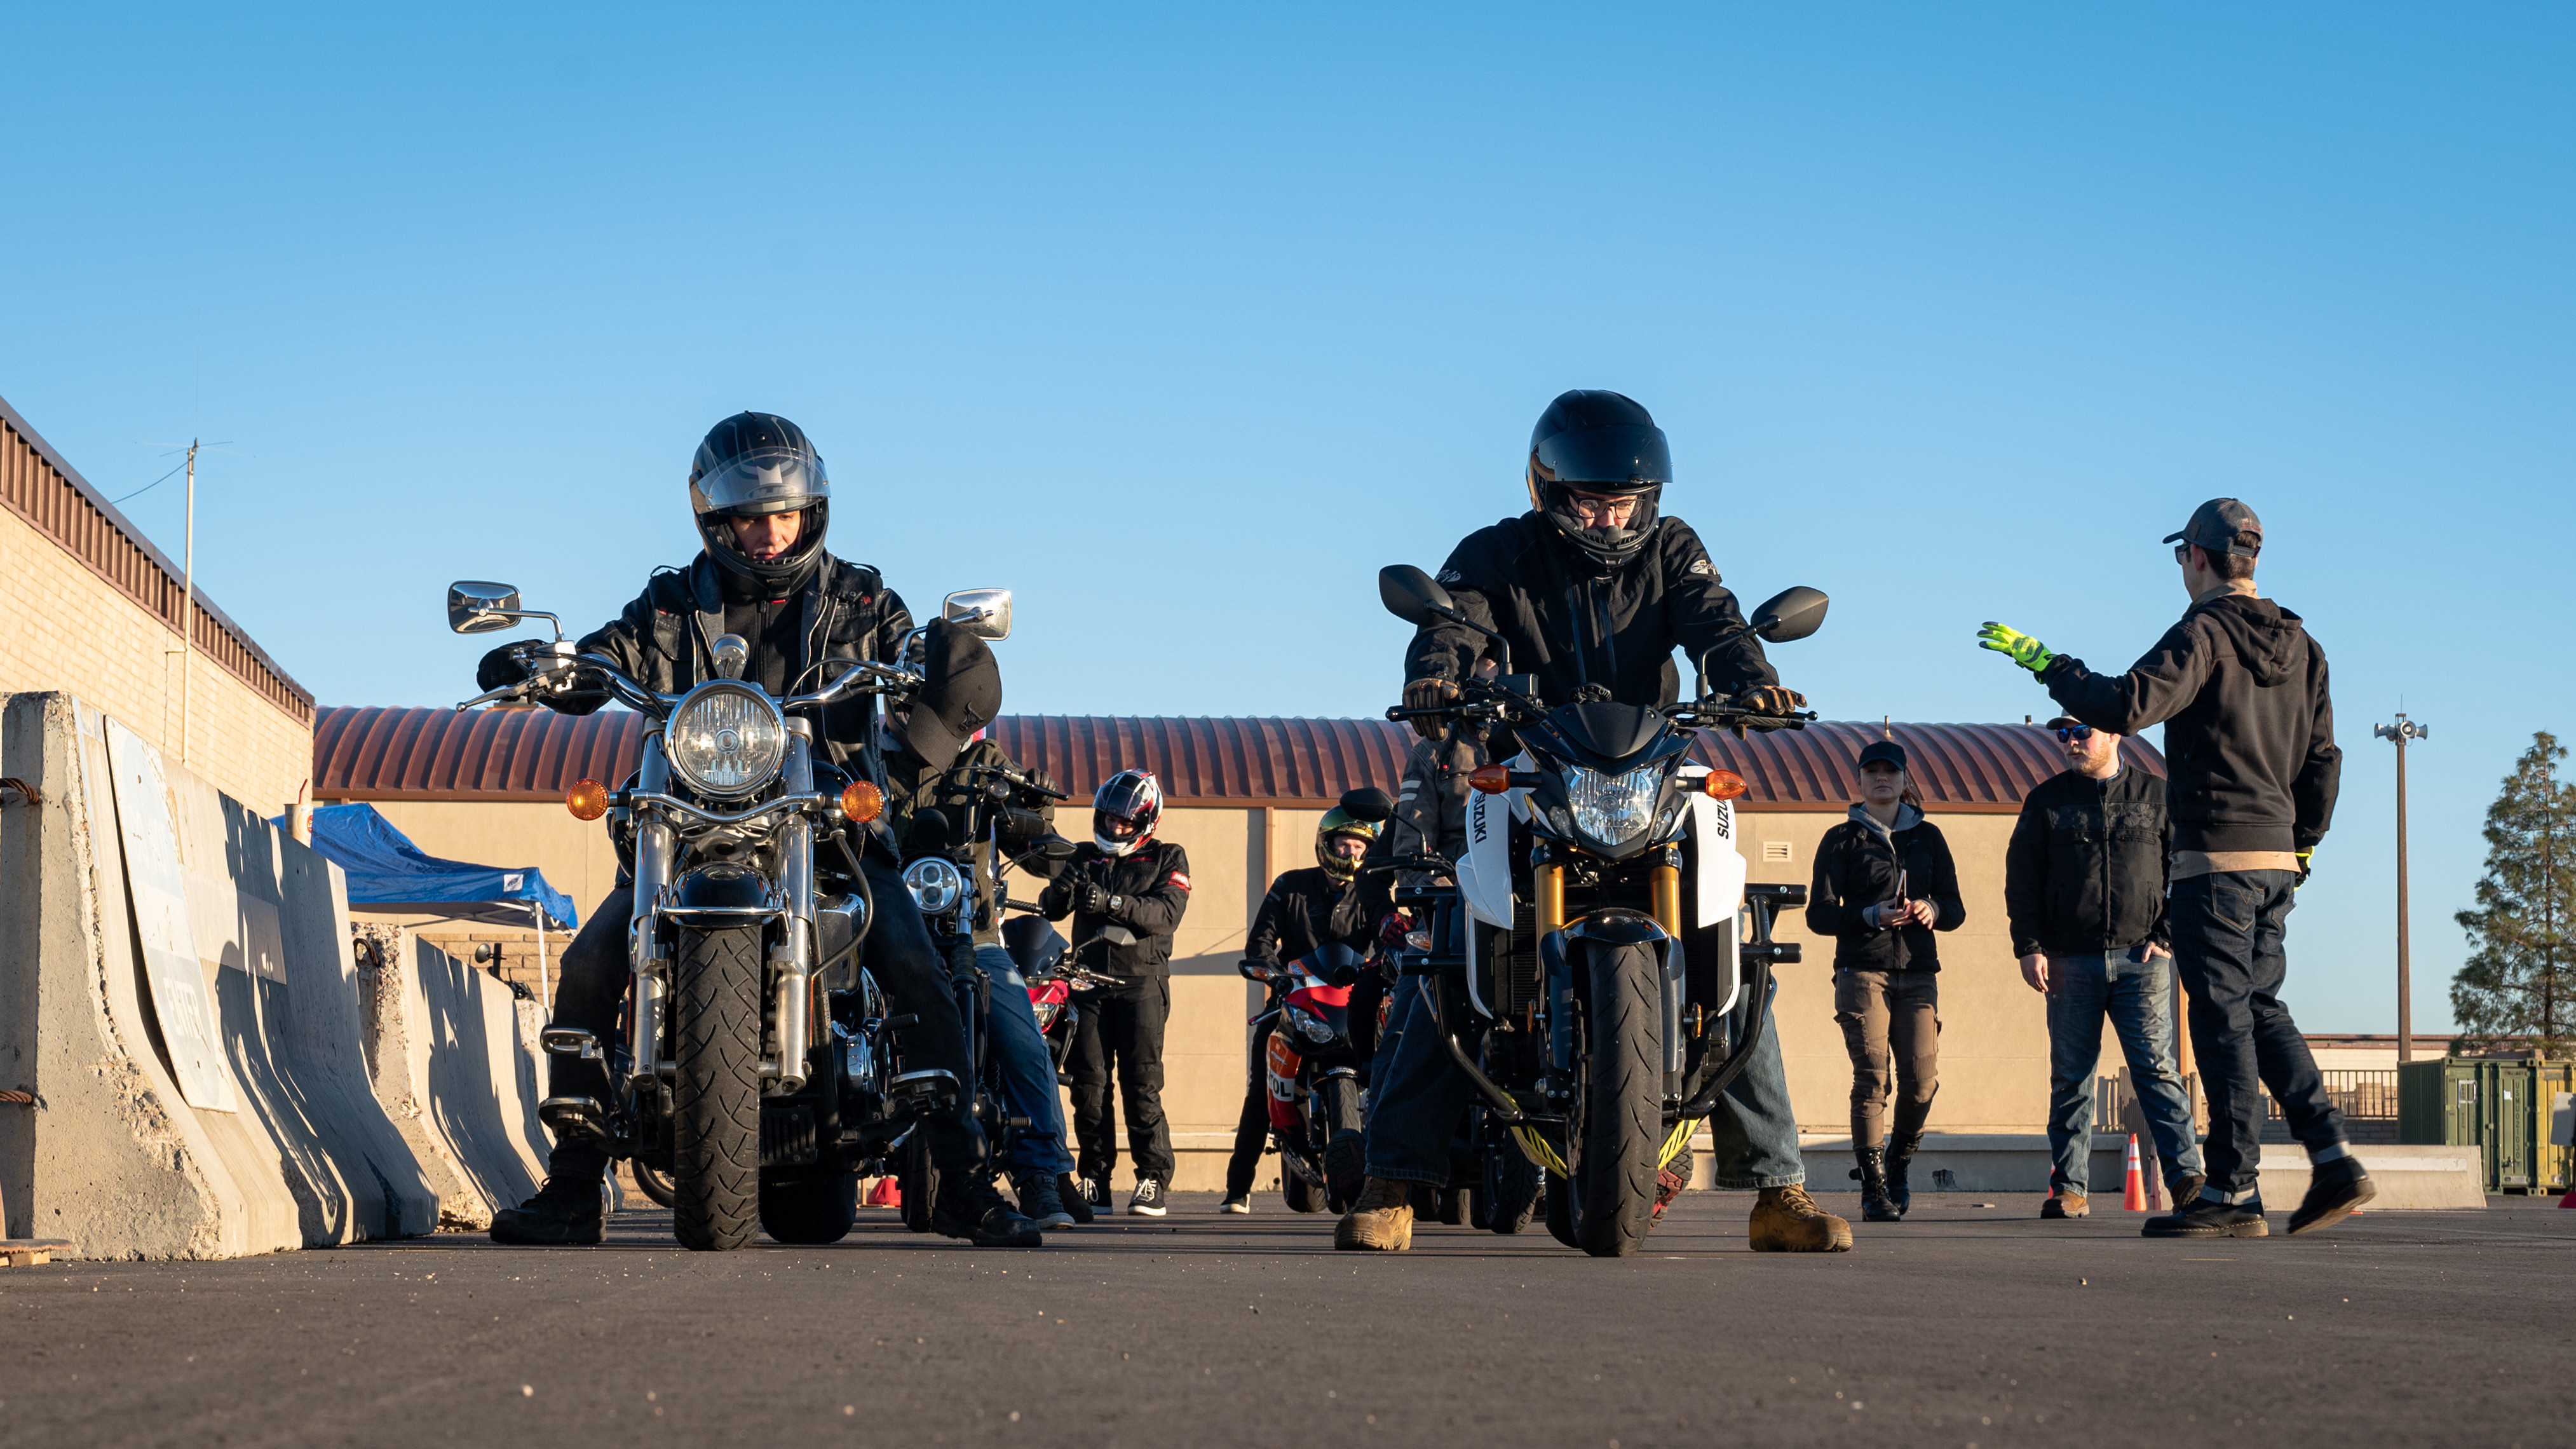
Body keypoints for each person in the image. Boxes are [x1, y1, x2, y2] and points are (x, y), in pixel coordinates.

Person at [478, 411, 1039, 1248]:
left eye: (786, 515)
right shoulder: (672, 602)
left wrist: (941, 671)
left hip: (830, 829)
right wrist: (551, 666)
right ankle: (572, 1183)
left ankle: (958, 1178)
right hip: (692, 823)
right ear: (717, 521)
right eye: (751, 518)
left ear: (811, 510)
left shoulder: (859, 598)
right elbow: (610, 655)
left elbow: (914, 651)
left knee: (916, 966)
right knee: (594, 958)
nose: (771, 534)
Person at [1336, 388, 1850, 1253]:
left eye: (1625, 501)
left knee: (1733, 937)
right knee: (1453, 933)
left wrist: (1751, 677)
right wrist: (1436, 676)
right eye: (1591, 500)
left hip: (1650, 765)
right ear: (1549, 490)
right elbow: (1453, 624)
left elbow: (1716, 624)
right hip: (1534, 768)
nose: (1610, 518)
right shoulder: (1499, 551)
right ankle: (1393, 1181)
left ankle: (1777, 1190)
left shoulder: (1674, 548)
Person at [1979, 496, 2371, 1238]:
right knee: (2258, 1008)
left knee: (2222, 1020)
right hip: (2276, 857)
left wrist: (2045, 664)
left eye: (2178, 557)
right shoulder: (2305, 644)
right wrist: (2304, 842)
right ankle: (2332, 1156)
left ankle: (2230, 1191)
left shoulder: (2205, 632)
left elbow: (2128, 704)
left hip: (2214, 858)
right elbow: (2324, 759)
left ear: (2195, 556)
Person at [879, 636, 1088, 1232]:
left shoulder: (986, 761)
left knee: (1023, 1043)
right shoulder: (864, 757)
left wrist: (1035, 819)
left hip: (973, 935)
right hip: (882, 935)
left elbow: (1038, 843)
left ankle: (1040, 1175)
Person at [2007, 716, 2206, 1218]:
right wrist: (2030, 946)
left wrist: (2164, 938)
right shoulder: (2046, 801)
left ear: (2116, 734)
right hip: (2068, 961)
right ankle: (2070, 1188)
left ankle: (2188, 1181)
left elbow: (2184, 871)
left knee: (2157, 1071)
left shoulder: (2159, 796)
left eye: (2082, 734)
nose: (2071, 743)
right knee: (2072, 1078)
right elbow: (2022, 880)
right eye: (2063, 735)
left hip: (2143, 960)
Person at [1806, 740, 1965, 1223]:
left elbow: (1955, 909)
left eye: (1889, 771)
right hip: (1862, 970)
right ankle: (1874, 1188)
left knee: (1921, 1083)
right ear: (1858, 780)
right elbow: (1819, 915)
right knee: (1873, 1078)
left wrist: (1930, 909)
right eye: (1871, 771)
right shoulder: (1840, 839)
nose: (1881, 778)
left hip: (1918, 973)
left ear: (1903, 779)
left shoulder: (1930, 837)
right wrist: (1873, 914)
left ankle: (1898, 1163)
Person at [1040, 768, 1193, 1217]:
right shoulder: (1085, 856)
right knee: (1088, 1085)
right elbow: (1051, 909)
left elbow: (1166, 914)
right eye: (1108, 820)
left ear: (1146, 821)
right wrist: (1062, 887)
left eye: (1124, 823)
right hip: (1086, 983)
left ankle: (1151, 1178)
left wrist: (1112, 904)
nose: (1115, 829)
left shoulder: (1169, 857)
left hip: (1141, 984)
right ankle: (1095, 1177)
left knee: (1141, 1083)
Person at [1220, 808, 1383, 1213]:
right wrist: (1273, 974)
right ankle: (1238, 1190)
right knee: (1261, 1089)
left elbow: (1389, 937)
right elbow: (1260, 942)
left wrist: (1386, 968)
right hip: (1295, 1000)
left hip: (1354, 1005)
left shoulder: (1374, 893)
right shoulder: (1290, 886)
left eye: (1359, 846)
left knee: (1391, 1072)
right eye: (1343, 844)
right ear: (1325, 845)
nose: (1350, 852)